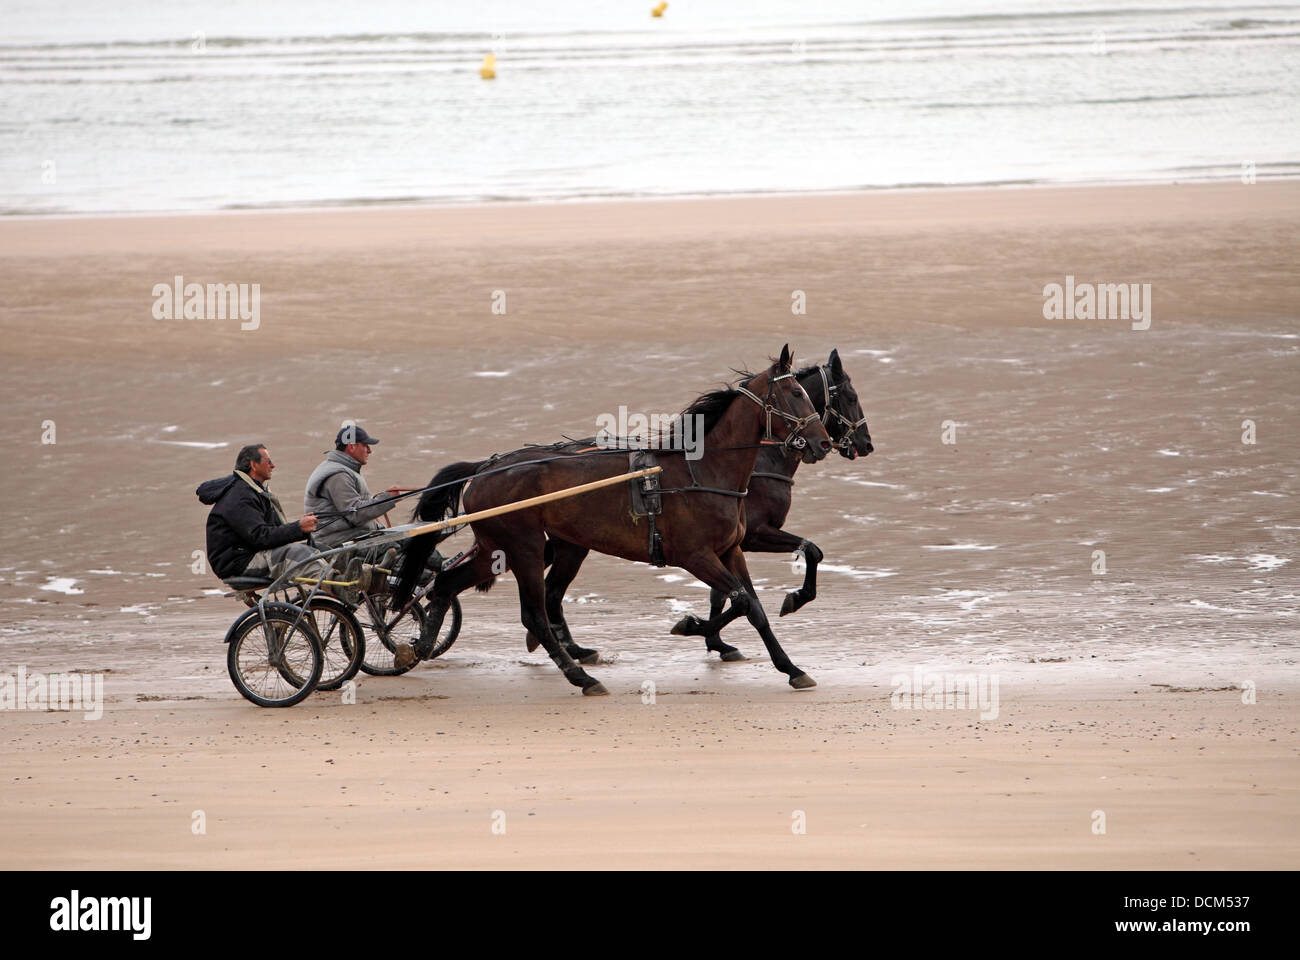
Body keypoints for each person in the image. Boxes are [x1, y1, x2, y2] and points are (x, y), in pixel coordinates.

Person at [197, 443, 326, 583]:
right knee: (299, 553)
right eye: (268, 461)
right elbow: (261, 537)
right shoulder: (240, 496)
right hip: (237, 564)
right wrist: (298, 527)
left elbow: (272, 532)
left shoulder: (255, 490)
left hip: (252, 552)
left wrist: (301, 527)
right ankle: (341, 588)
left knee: (323, 549)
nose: (273, 465)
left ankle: (341, 584)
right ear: (254, 465)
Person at [304, 425, 401, 580]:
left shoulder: (342, 469)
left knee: (411, 541)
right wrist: (387, 499)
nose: (369, 451)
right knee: (400, 553)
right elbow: (355, 513)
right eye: (366, 446)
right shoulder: (338, 475)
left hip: (354, 537)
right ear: (352, 446)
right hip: (339, 546)